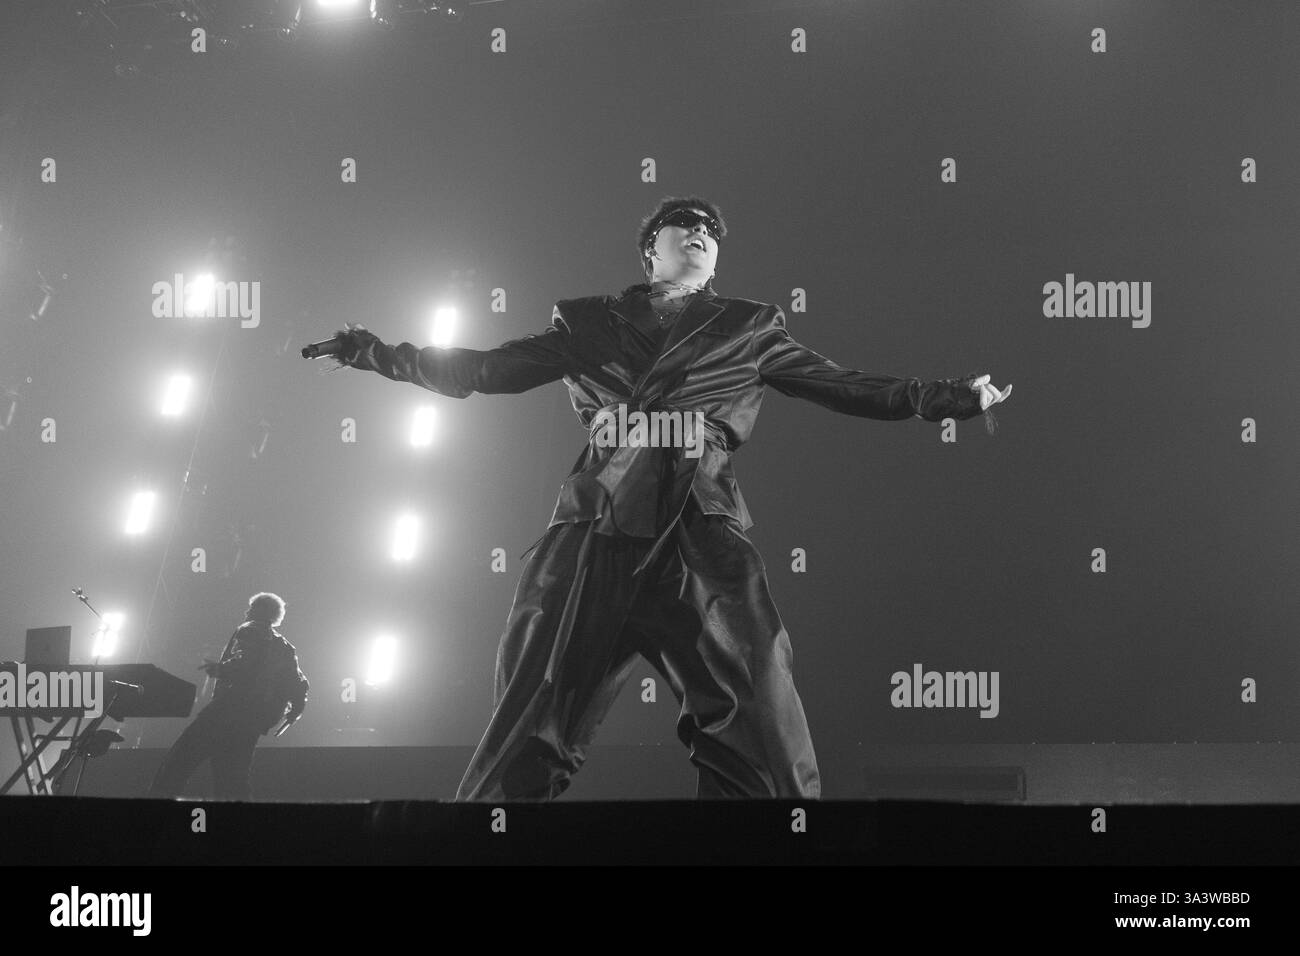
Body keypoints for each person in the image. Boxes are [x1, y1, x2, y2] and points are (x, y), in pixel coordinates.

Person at [331, 195, 1011, 800]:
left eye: (711, 229)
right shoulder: (588, 323)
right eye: (680, 223)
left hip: (701, 537)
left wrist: (940, 397)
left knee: (760, 717)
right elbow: (486, 370)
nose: (699, 231)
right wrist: (381, 355)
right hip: (594, 535)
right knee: (530, 723)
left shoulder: (751, 327)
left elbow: (841, 384)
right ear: (650, 250)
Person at [149, 592, 309, 800]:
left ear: (259, 610)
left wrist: (223, 669)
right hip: (253, 720)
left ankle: (155, 809)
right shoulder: (285, 646)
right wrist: (294, 711)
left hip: (229, 709)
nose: (246, 612)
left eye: (251, 608)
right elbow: (298, 683)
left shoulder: (250, 629)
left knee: (181, 758)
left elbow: (247, 660)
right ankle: (235, 824)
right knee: (233, 776)